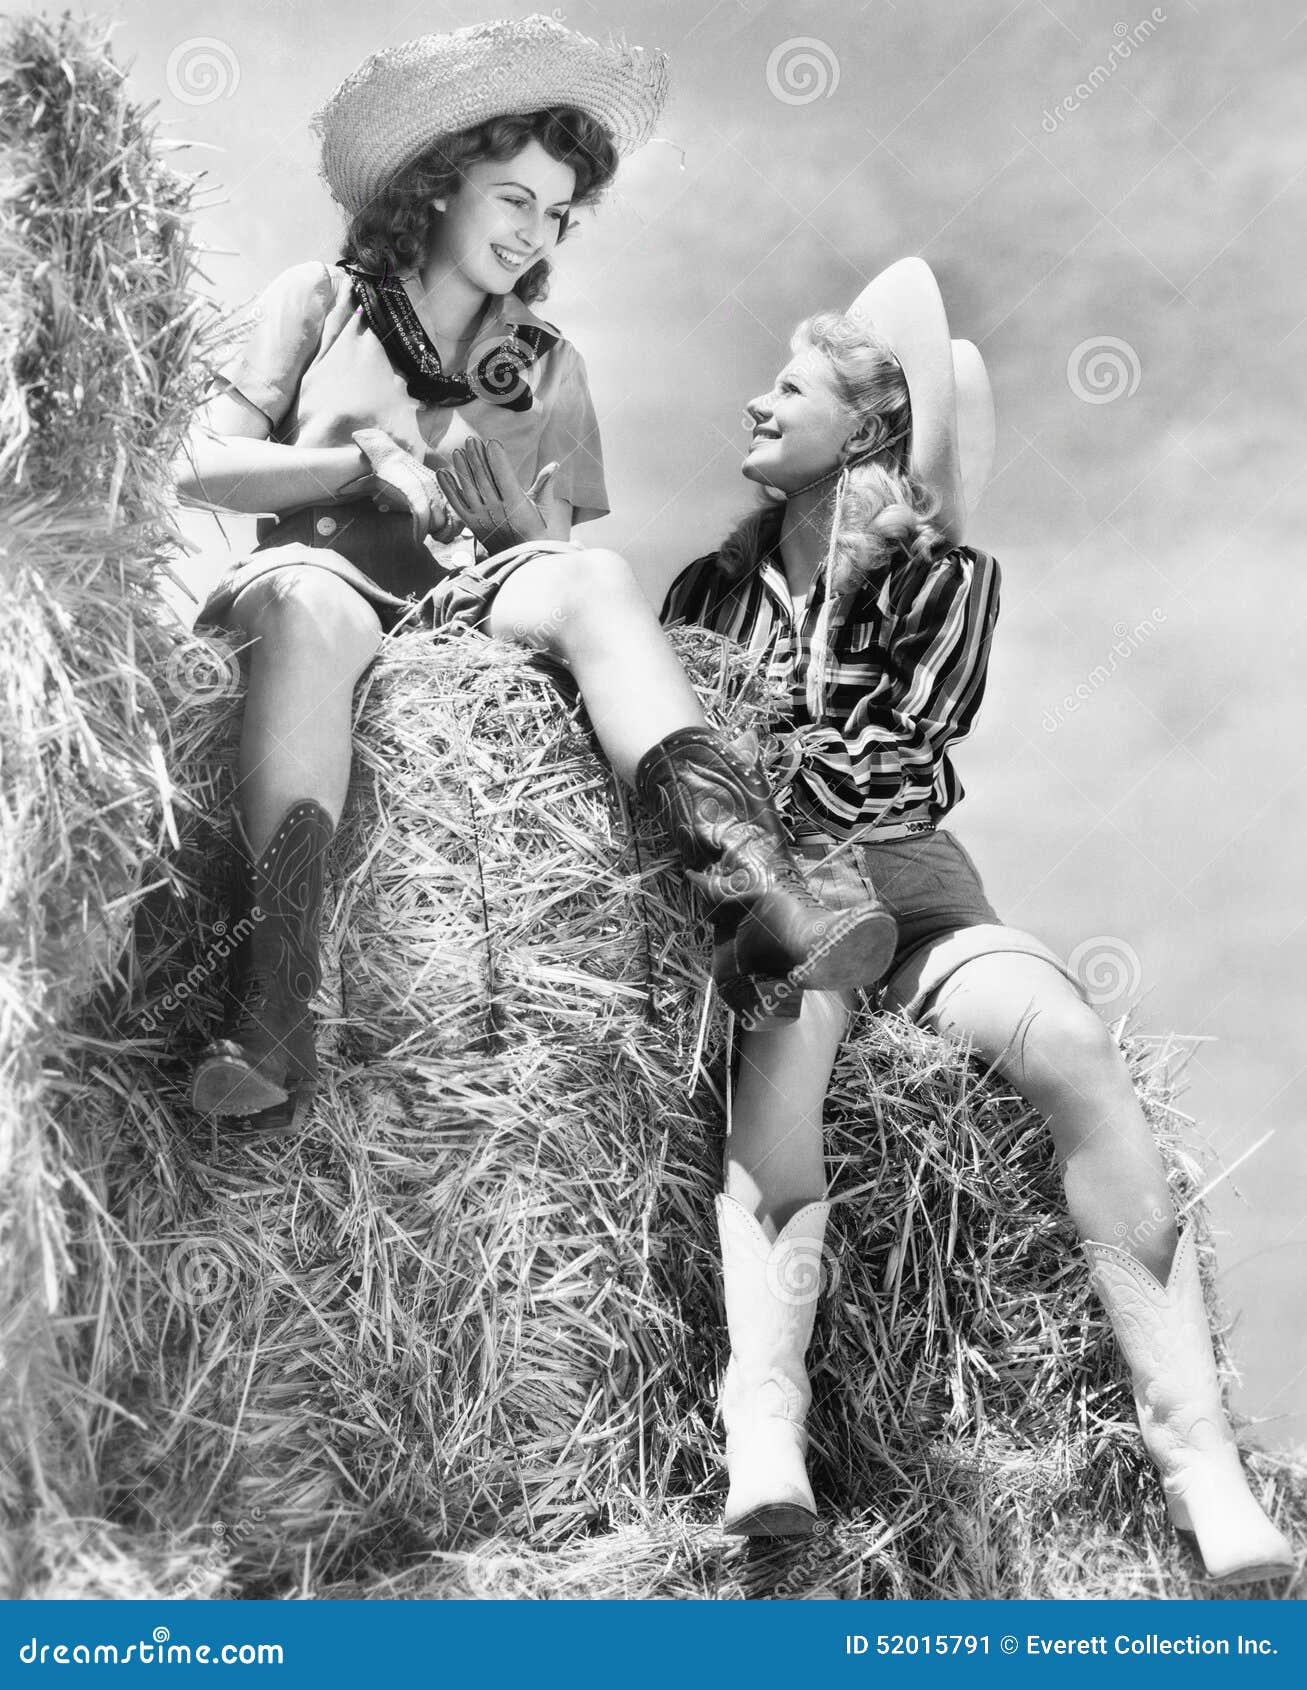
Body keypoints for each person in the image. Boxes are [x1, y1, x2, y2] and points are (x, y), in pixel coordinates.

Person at [657, 257, 1294, 1585]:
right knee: (786, 1051)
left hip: (911, 877)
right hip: (795, 885)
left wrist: (764, 771)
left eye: (789, 387)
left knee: (1065, 1043)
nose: (756, 405)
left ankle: (1199, 1463)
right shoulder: (696, 599)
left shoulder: (940, 577)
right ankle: (761, 1423)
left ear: (862, 430)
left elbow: (896, 761)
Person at [174, 16, 896, 1137]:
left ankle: (756, 888)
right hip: (315, 574)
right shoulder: (319, 300)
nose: (535, 231)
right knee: (309, 602)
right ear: (441, 184)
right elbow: (201, 467)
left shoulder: (546, 362)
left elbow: (540, 547)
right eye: (515, 199)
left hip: (455, 609)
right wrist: (366, 467)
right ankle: (275, 997)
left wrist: (499, 514)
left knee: (596, 579)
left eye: (556, 214)